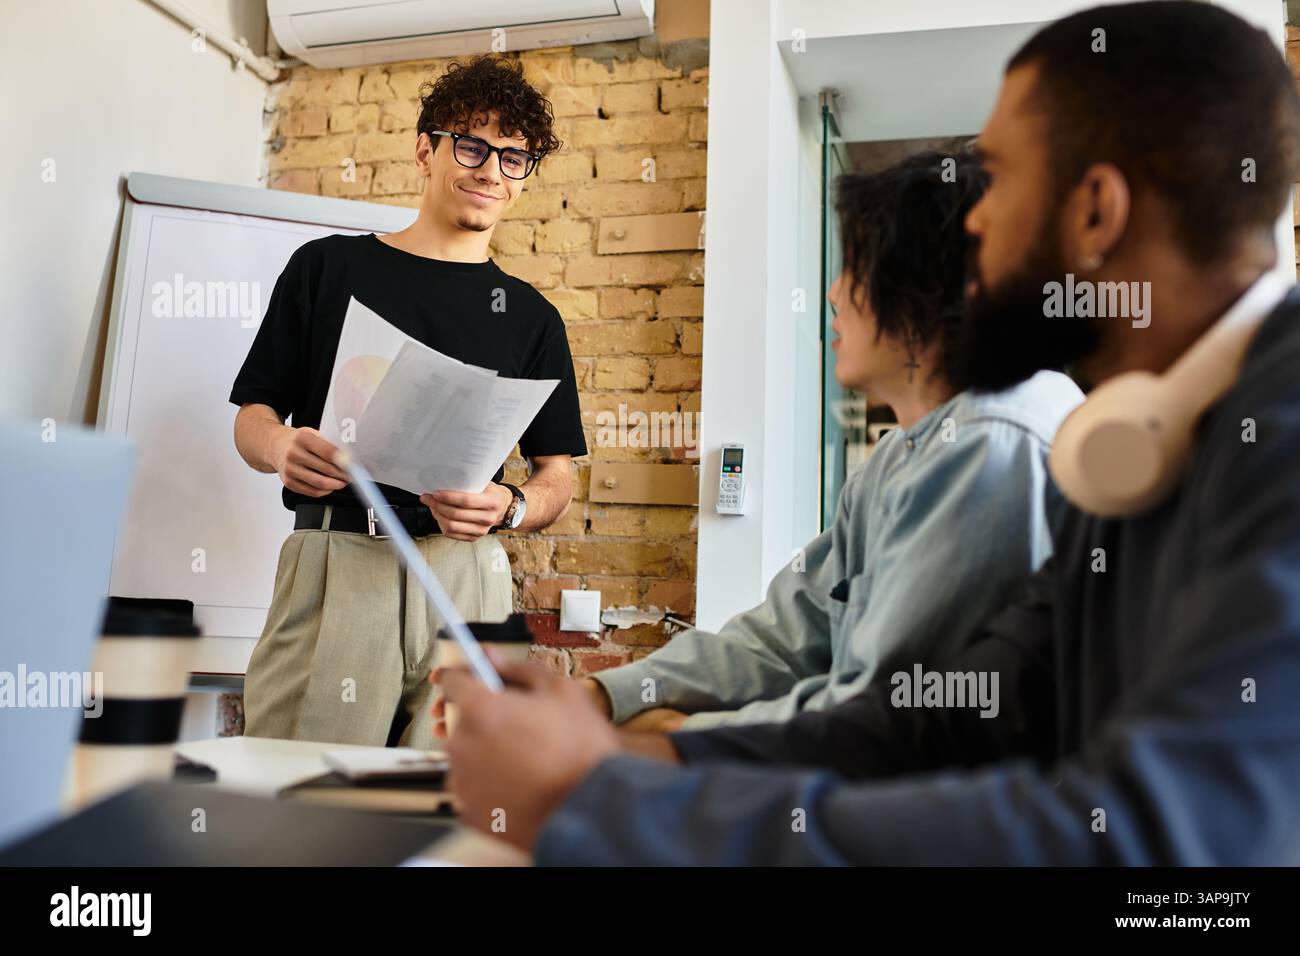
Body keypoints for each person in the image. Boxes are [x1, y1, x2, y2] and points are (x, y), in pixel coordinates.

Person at [439, 1, 1300, 864]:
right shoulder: (1134, 446)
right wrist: (629, 751)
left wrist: (607, 804)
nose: (972, 226)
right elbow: (940, 719)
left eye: (998, 180)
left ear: (1096, 212)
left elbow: (1152, 839)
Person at [569, 152, 1081, 733]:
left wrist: (678, 737)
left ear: (927, 289)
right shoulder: (898, 456)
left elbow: (888, 717)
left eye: (856, 268)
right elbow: (784, 640)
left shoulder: (993, 445)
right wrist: (601, 696)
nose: (834, 293)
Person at [229, 55, 586, 749]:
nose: (492, 171)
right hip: (339, 563)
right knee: (304, 803)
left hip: (470, 580)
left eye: (515, 158)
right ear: (426, 149)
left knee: (449, 811)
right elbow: (252, 416)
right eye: (473, 145)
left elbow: (558, 478)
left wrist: (511, 505)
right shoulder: (326, 269)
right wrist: (278, 447)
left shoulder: (533, 319)